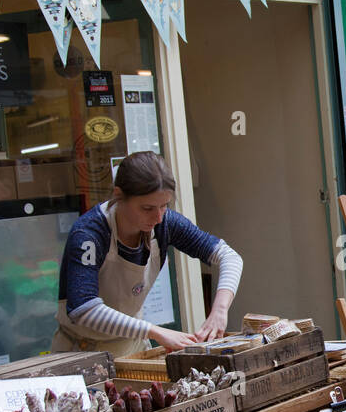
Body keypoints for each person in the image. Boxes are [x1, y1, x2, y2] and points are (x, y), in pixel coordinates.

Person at [53, 152, 243, 356]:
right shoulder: (89, 233)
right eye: (147, 208)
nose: (158, 217)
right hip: (81, 351)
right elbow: (84, 309)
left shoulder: (166, 224)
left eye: (164, 206)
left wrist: (219, 311)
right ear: (118, 195)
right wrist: (155, 332)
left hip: (131, 346)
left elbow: (229, 257)